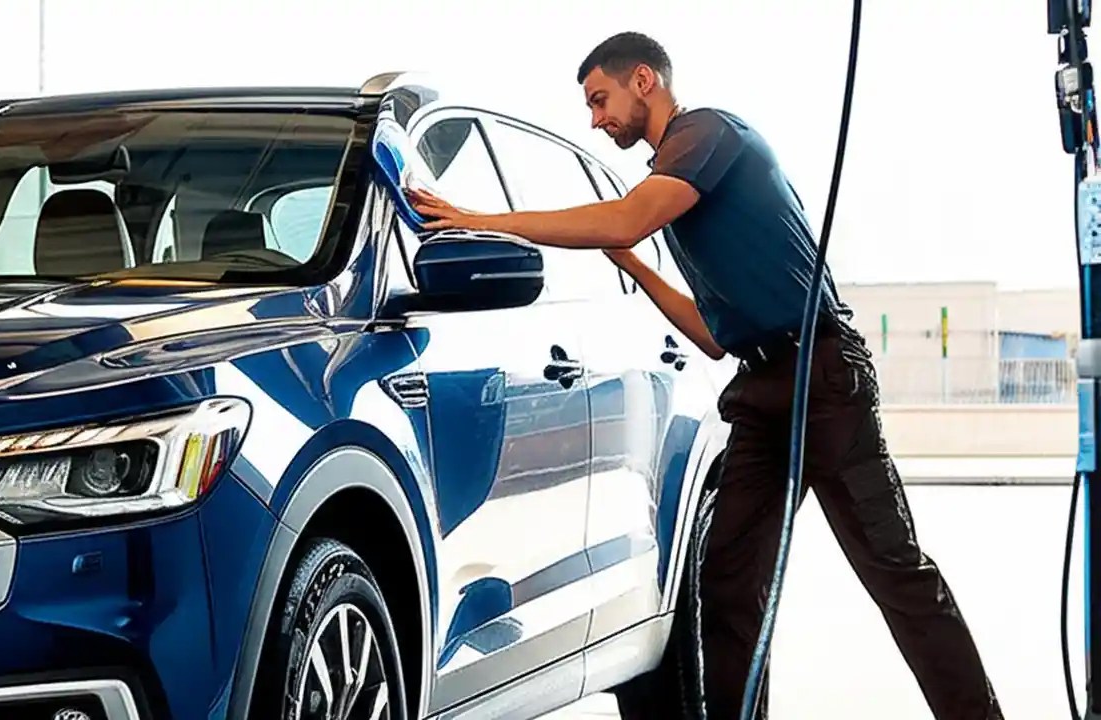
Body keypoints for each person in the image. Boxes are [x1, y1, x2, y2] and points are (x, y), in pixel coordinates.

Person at [407, 30, 1003, 720]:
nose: (596, 120)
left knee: (895, 572)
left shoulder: (707, 135)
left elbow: (628, 216)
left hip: (823, 375)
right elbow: (711, 336)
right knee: (725, 582)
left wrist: (486, 222)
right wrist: (632, 266)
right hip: (760, 388)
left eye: (600, 100)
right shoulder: (680, 183)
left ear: (644, 82)